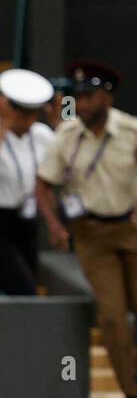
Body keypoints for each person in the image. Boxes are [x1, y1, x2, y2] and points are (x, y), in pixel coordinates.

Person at [36, 61, 137, 398]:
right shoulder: (66, 136)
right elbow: (43, 185)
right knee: (113, 317)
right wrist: (54, 224)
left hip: (134, 226)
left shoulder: (133, 130)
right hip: (92, 235)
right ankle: (130, 396)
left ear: (107, 96)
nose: (81, 104)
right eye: (77, 97)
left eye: (88, 97)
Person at [0, 69, 54, 296]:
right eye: (22, 113)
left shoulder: (41, 134)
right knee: (24, 289)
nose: (29, 120)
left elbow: (69, 142)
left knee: (26, 285)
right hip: (1, 221)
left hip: (28, 221)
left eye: (33, 114)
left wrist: (63, 112)